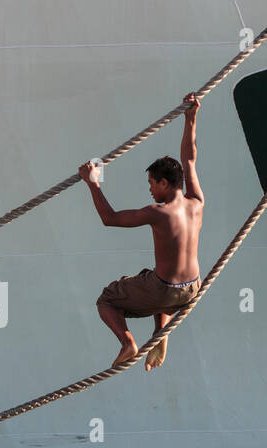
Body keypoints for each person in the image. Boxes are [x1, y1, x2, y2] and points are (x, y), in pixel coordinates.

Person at [82, 91, 205, 369]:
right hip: (191, 291)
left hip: (165, 293)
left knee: (107, 300)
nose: (149, 189)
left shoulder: (157, 213)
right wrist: (191, 118)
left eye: (152, 183)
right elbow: (190, 160)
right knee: (149, 276)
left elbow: (109, 218)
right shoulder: (196, 202)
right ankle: (160, 332)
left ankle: (128, 343)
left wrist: (93, 183)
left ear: (164, 182)